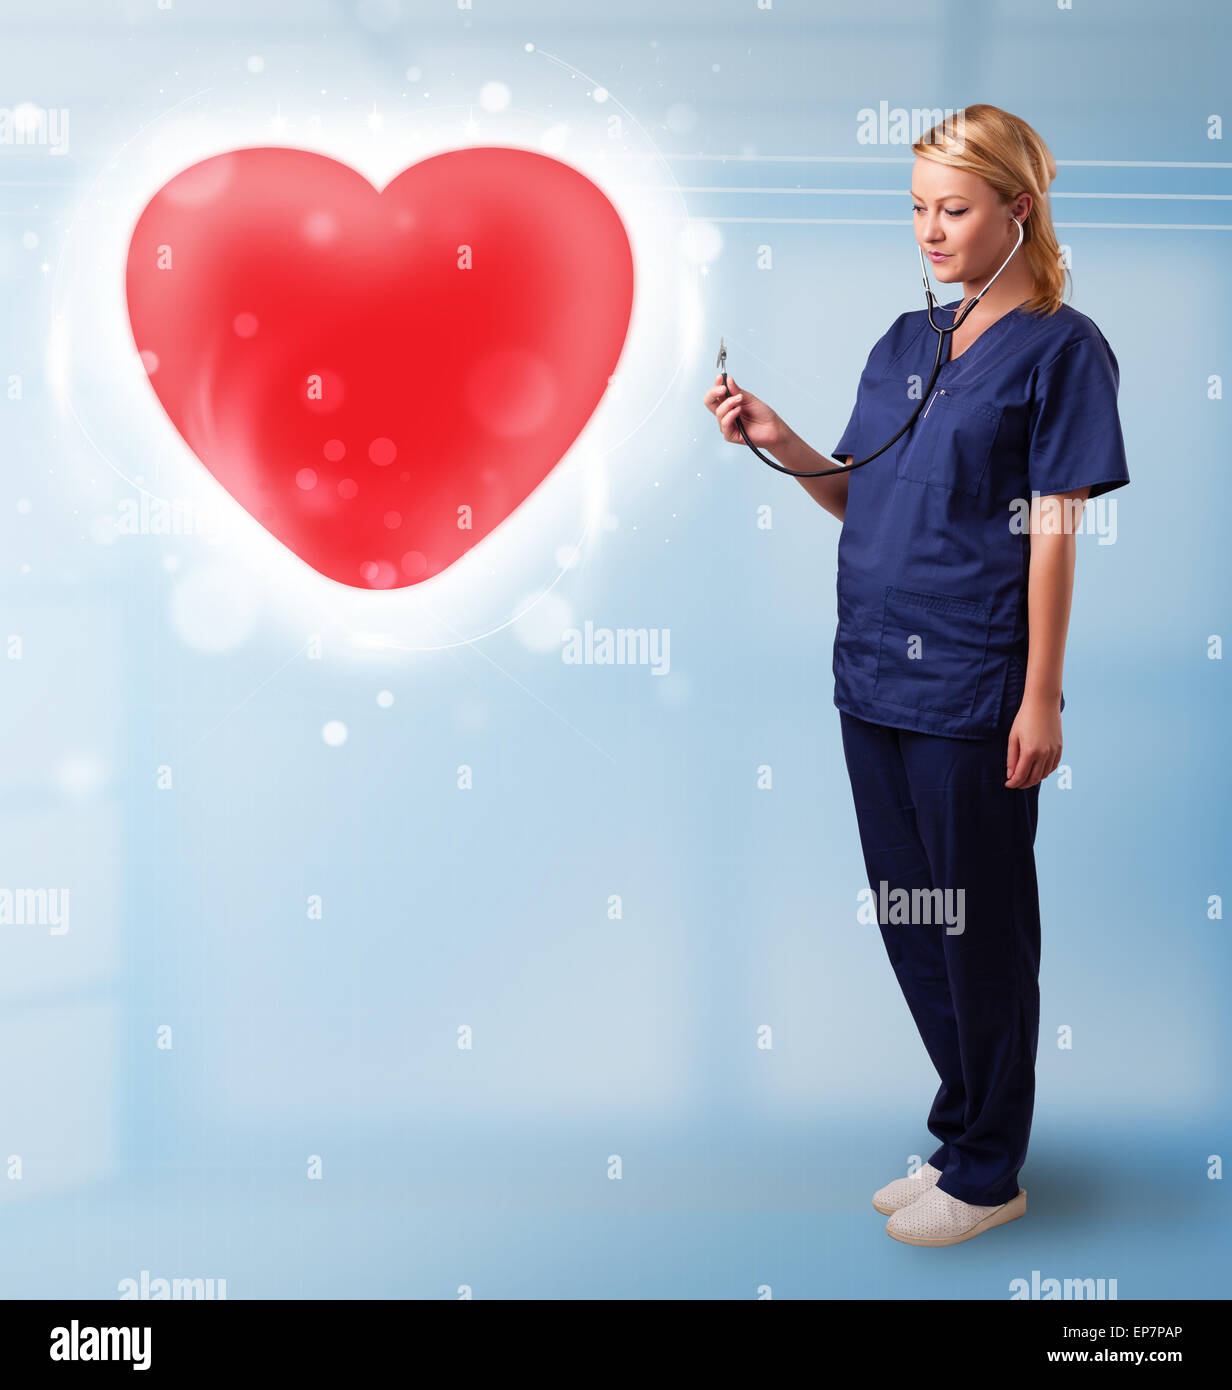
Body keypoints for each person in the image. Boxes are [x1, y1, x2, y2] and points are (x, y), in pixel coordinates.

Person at [702, 105, 1130, 1247]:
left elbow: (1054, 533)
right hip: (872, 675)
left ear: (1017, 211)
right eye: (916, 209)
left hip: (974, 685)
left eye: (953, 209)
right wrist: (777, 438)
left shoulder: (1062, 349)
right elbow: (861, 493)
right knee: (911, 917)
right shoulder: (904, 339)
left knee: (979, 928)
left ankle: (989, 1174)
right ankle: (959, 1135)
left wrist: (1039, 694)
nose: (929, 231)